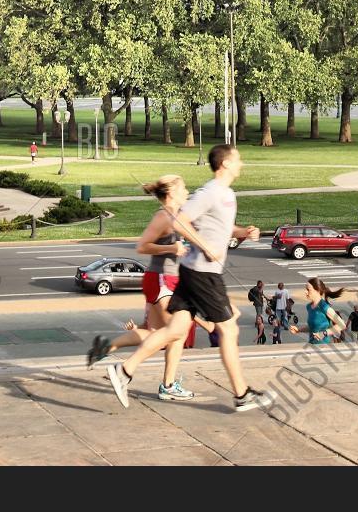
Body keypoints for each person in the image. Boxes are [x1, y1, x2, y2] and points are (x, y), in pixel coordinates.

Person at [103, 145, 272, 413]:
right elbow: (180, 222)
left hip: (193, 272)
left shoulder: (226, 194)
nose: (242, 163)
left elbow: (221, 228)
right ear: (225, 163)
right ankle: (242, 395)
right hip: (204, 273)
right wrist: (205, 246)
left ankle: (124, 371)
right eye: (238, 159)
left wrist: (243, 232)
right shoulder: (210, 192)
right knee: (229, 329)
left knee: (175, 331)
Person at [85, 176, 209, 400]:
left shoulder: (177, 215)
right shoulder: (163, 216)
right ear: (171, 192)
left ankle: (106, 349)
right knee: (177, 332)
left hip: (162, 279)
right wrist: (172, 247)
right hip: (162, 278)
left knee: (158, 333)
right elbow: (142, 246)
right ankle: (152, 380)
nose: (187, 191)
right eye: (184, 188)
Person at [290, 277, 345, 344]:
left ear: (317, 291)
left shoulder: (324, 306)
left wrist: (324, 333)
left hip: (323, 347)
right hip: (312, 345)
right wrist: (299, 330)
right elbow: (312, 327)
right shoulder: (309, 307)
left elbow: (342, 324)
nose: (305, 292)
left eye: (308, 289)